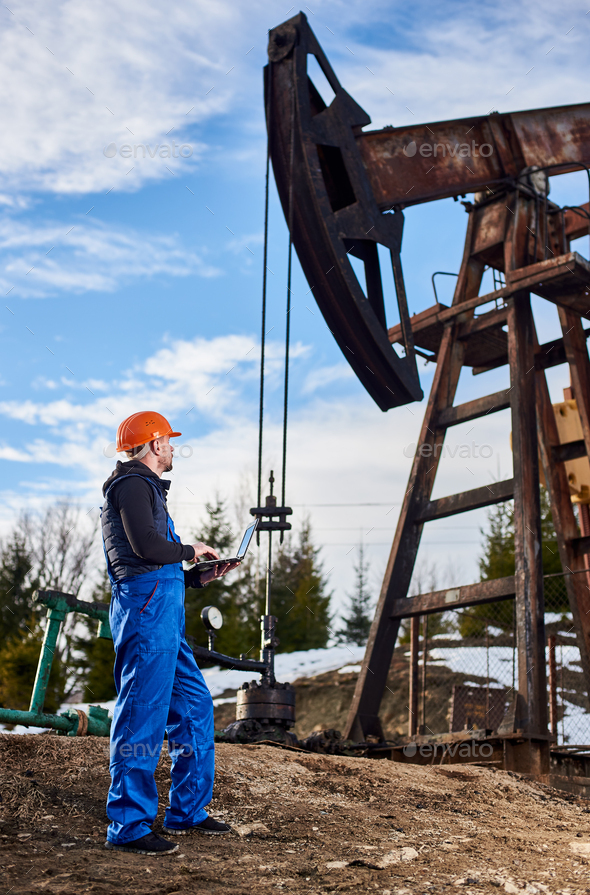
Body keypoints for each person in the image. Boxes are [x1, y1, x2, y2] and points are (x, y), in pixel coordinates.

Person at [101, 411, 239, 856]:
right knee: (142, 711)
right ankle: (128, 826)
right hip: (145, 611)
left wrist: (201, 575)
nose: (174, 447)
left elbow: (159, 560)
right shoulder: (131, 486)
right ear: (154, 445)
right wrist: (190, 549)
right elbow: (145, 548)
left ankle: (187, 811)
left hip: (165, 614)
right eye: (169, 441)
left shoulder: (148, 490)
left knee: (195, 705)